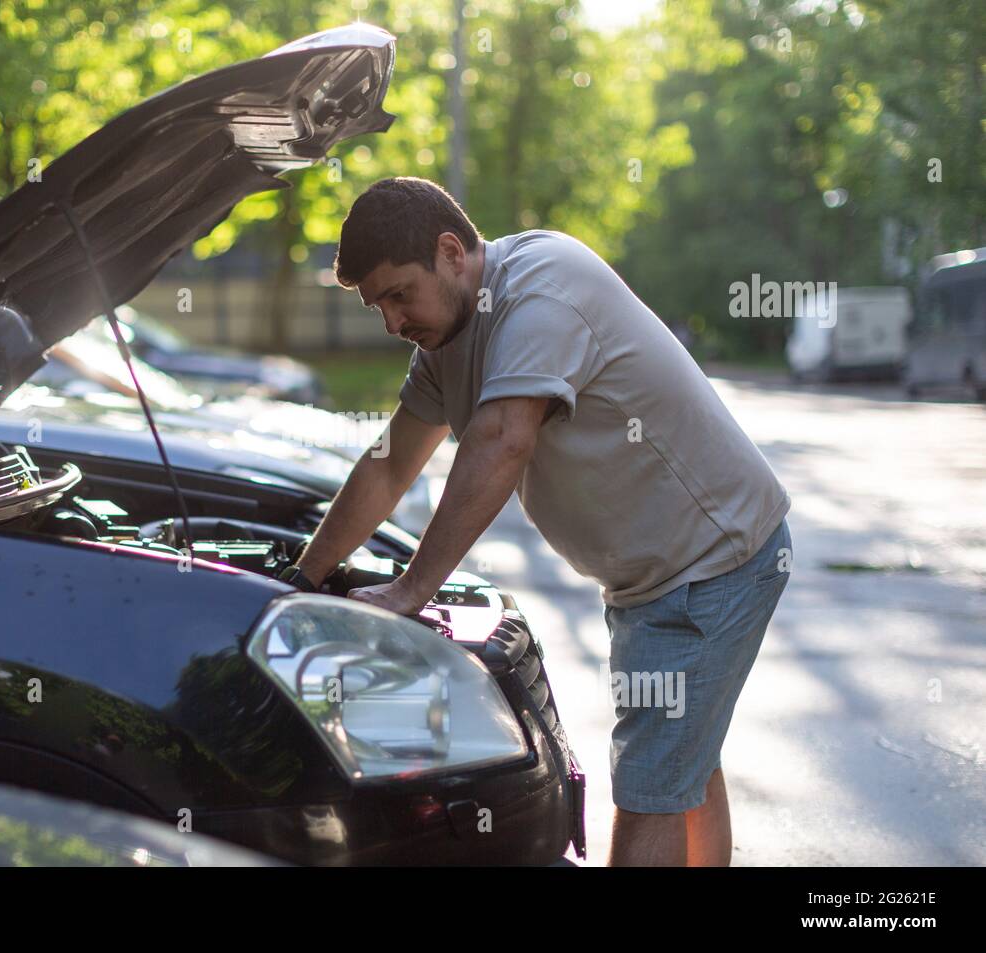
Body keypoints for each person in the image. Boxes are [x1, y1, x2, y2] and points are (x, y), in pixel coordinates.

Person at [287, 176, 792, 866]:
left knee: (649, 787)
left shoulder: (543, 288)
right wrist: (304, 575)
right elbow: (388, 464)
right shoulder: (444, 348)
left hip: (713, 562)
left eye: (400, 294)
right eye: (378, 305)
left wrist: (412, 590)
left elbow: (502, 439)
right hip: (652, 579)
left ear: (450, 253)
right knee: (683, 768)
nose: (392, 322)